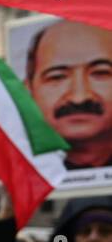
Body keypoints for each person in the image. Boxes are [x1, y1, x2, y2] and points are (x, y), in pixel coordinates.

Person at [25, 21, 112, 171]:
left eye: (100, 73)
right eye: (57, 77)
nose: (79, 97)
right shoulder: (24, 174)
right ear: (29, 90)